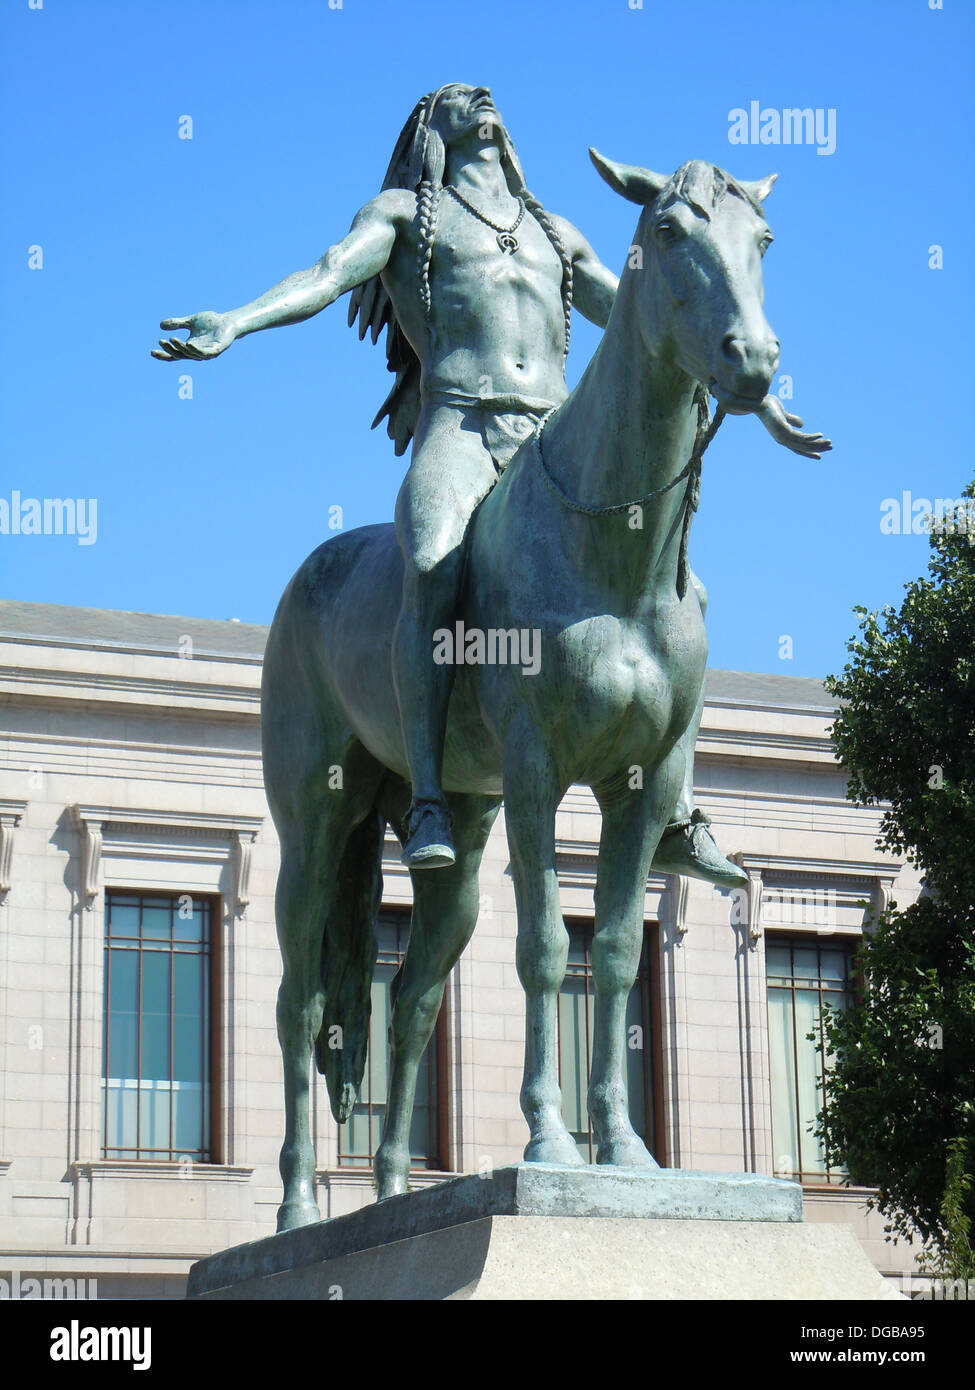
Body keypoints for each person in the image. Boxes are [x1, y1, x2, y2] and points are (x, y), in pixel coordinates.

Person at [153, 82, 749, 887]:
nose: (478, 95)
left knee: (690, 595)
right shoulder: (404, 215)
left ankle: (673, 812)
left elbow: (641, 308)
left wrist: (730, 353)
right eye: (454, 97)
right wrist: (237, 320)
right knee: (433, 557)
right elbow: (328, 274)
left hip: (552, 438)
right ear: (428, 132)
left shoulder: (549, 229)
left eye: (485, 92)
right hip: (462, 430)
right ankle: (428, 793)